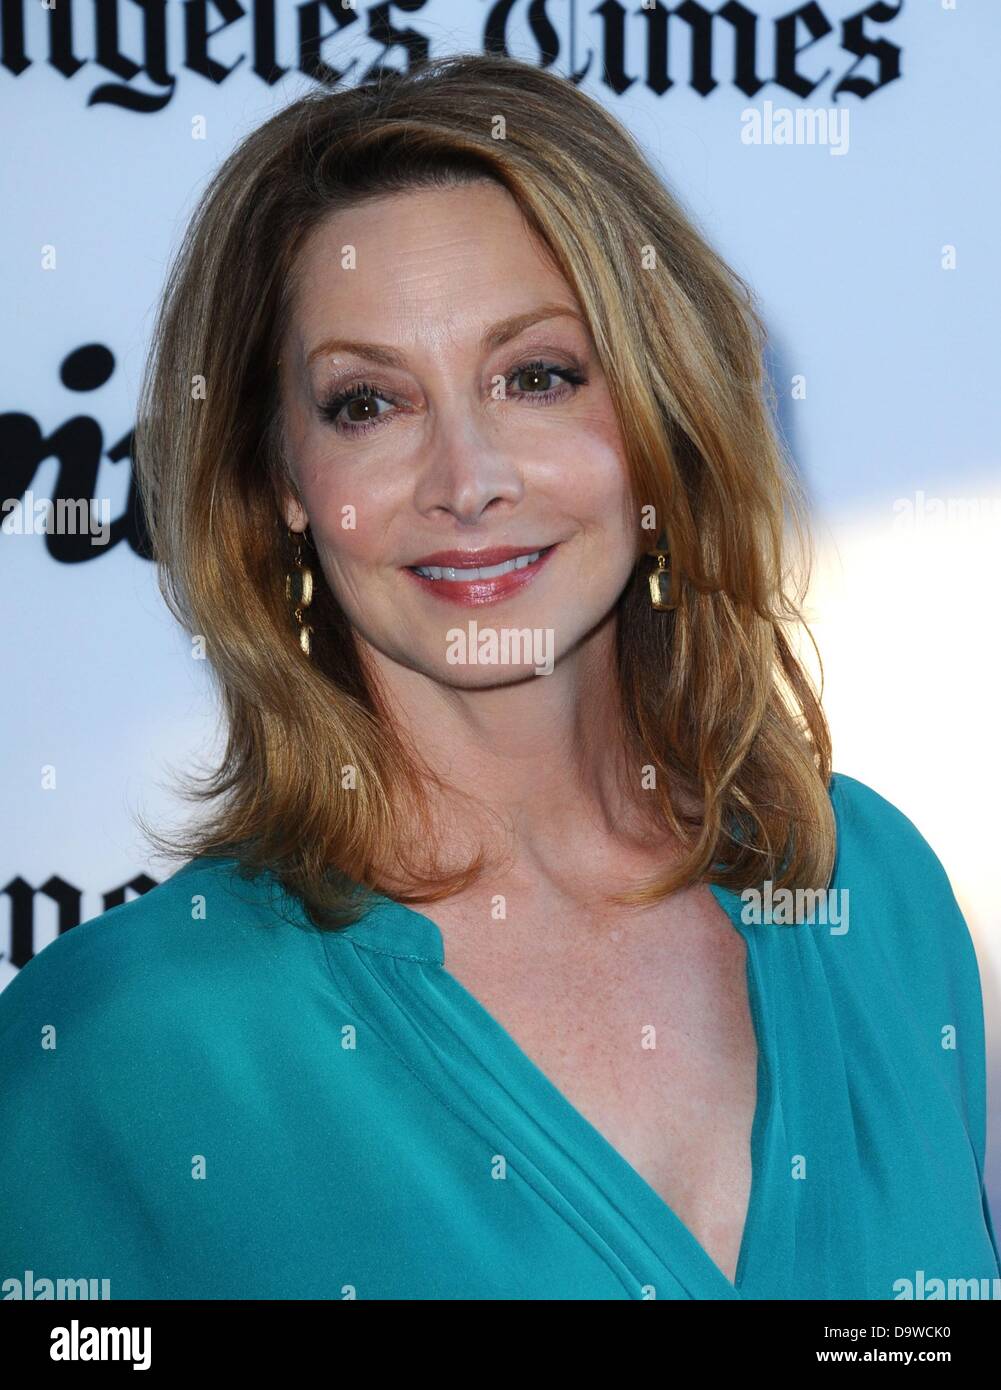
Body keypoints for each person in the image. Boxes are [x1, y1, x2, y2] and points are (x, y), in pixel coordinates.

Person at [1, 53, 997, 1302]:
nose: (464, 479)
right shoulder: (115, 1048)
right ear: (281, 488)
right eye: (367, 403)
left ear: (658, 415)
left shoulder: (868, 892)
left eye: (536, 376)